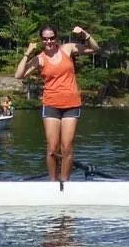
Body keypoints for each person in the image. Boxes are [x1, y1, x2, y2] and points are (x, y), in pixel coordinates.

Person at [14, 24, 100, 182]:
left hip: (71, 104)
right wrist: (27, 53)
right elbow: (19, 75)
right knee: (52, 148)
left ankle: (64, 182)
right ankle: (53, 182)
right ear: (41, 40)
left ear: (57, 38)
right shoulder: (39, 59)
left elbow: (95, 48)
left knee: (67, 147)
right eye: (45, 39)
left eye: (52, 38)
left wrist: (85, 34)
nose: (49, 41)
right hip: (51, 104)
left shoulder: (67, 49)